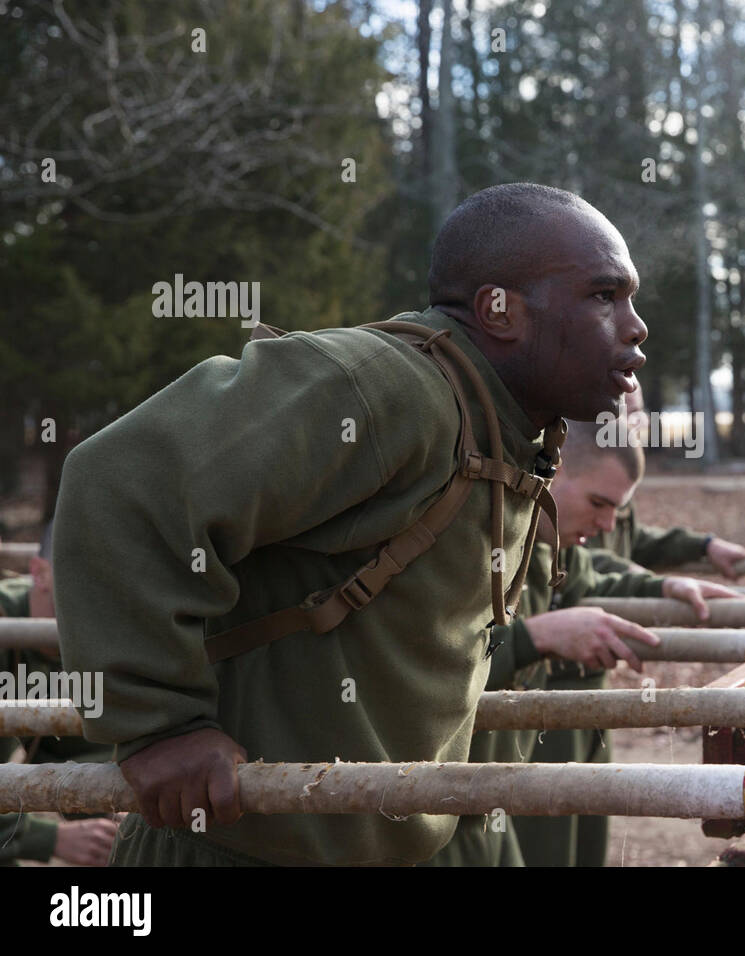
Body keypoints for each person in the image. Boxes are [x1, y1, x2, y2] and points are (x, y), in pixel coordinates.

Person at [51, 183, 650, 866]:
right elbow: (120, 483)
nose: (635, 325)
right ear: (498, 309)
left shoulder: (505, 433)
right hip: (243, 847)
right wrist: (161, 727)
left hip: (363, 838)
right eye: (604, 295)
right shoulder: (392, 388)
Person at [424, 427, 737, 866]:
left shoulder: (547, 545)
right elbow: (425, 671)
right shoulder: (467, 537)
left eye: (616, 510)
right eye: (598, 504)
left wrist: (667, 585)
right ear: (555, 469)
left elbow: (597, 577)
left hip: (482, 798)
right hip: (427, 805)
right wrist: (538, 638)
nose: (609, 525)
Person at [0, 526, 119, 866]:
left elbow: (92, 754)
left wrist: (124, 804)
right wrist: (45, 837)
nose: (86, 613)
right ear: (39, 573)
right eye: (74, 590)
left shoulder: (104, 640)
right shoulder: (5, 622)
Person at [587, 384, 745, 577]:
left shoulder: (615, 475)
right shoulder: (569, 474)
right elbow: (569, 561)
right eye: (628, 412)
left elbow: (633, 541)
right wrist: (643, 581)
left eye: (640, 412)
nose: (639, 422)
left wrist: (704, 546)